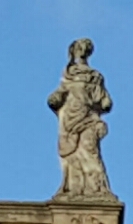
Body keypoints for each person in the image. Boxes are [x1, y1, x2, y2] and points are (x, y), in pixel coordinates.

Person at [47, 38, 114, 199]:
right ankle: (73, 189)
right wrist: (55, 98)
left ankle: (96, 189)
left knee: (90, 152)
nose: (81, 51)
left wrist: (101, 101)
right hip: (69, 118)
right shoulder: (68, 75)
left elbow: (105, 101)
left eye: (85, 48)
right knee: (72, 155)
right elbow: (59, 94)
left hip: (88, 119)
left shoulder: (95, 76)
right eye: (79, 48)